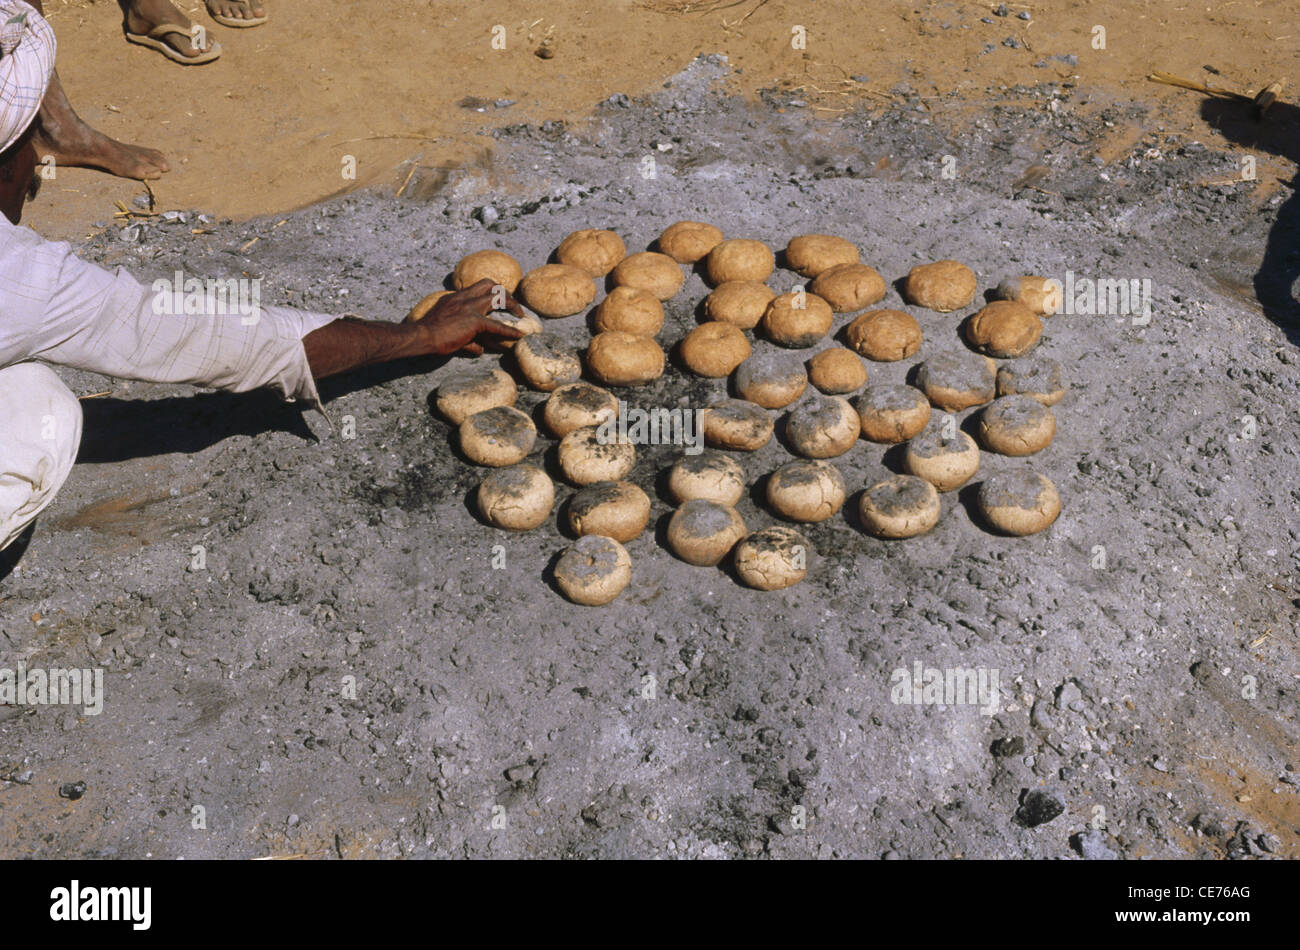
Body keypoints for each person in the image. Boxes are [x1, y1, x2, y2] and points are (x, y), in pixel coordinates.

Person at [0, 0, 523, 562]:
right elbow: (222, 340)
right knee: (40, 414)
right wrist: (417, 338)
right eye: (34, 139)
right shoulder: (21, 280)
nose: (38, 162)